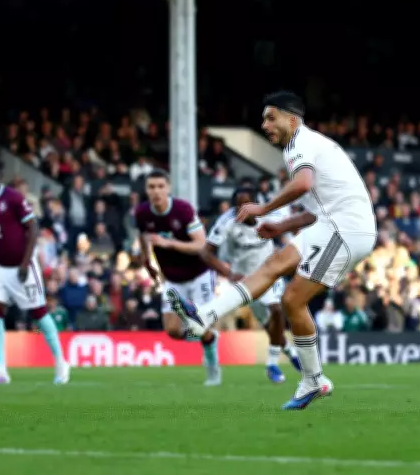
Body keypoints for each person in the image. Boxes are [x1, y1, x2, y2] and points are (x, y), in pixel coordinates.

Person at [169, 91, 377, 409]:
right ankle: (205, 316)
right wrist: (280, 227)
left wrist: (264, 208)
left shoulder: (300, 145)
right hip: (330, 222)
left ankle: (314, 380)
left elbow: (303, 184)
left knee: (293, 299)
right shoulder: (307, 144)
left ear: (291, 119)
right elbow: (311, 209)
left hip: (347, 229)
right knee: (271, 268)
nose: (264, 125)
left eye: (270, 118)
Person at [0, 163, 70, 385]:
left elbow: (32, 229)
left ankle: (61, 362)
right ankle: (1, 371)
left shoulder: (13, 198)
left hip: (21, 265)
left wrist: (25, 264)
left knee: (39, 314)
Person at [200, 187, 303, 383]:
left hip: (269, 270)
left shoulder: (272, 214)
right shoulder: (226, 223)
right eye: (238, 205)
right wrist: (228, 273)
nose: (242, 208)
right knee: (268, 325)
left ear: (257, 205)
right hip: (246, 279)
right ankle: (290, 351)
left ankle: (272, 364)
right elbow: (205, 252)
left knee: (276, 310)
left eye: (247, 204)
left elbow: (294, 224)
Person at [135, 170, 221, 386]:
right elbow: (144, 236)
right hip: (172, 278)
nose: (156, 191)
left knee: (201, 328)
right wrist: (147, 262)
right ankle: (207, 336)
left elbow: (202, 245)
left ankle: (211, 361)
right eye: (151, 187)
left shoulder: (183, 210)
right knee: (172, 331)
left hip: (199, 274)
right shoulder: (142, 213)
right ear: (146, 190)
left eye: (160, 186)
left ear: (168, 188)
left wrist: (169, 243)